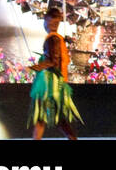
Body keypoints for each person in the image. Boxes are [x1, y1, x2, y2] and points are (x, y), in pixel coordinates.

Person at [30, 8, 80, 140]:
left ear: (47, 22)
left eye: (49, 22)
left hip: (51, 84)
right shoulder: (57, 38)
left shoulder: (52, 39)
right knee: (57, 119)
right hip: (57, 82)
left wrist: (35, 67)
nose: (48, 25)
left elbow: (53, 60)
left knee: (43, 116)